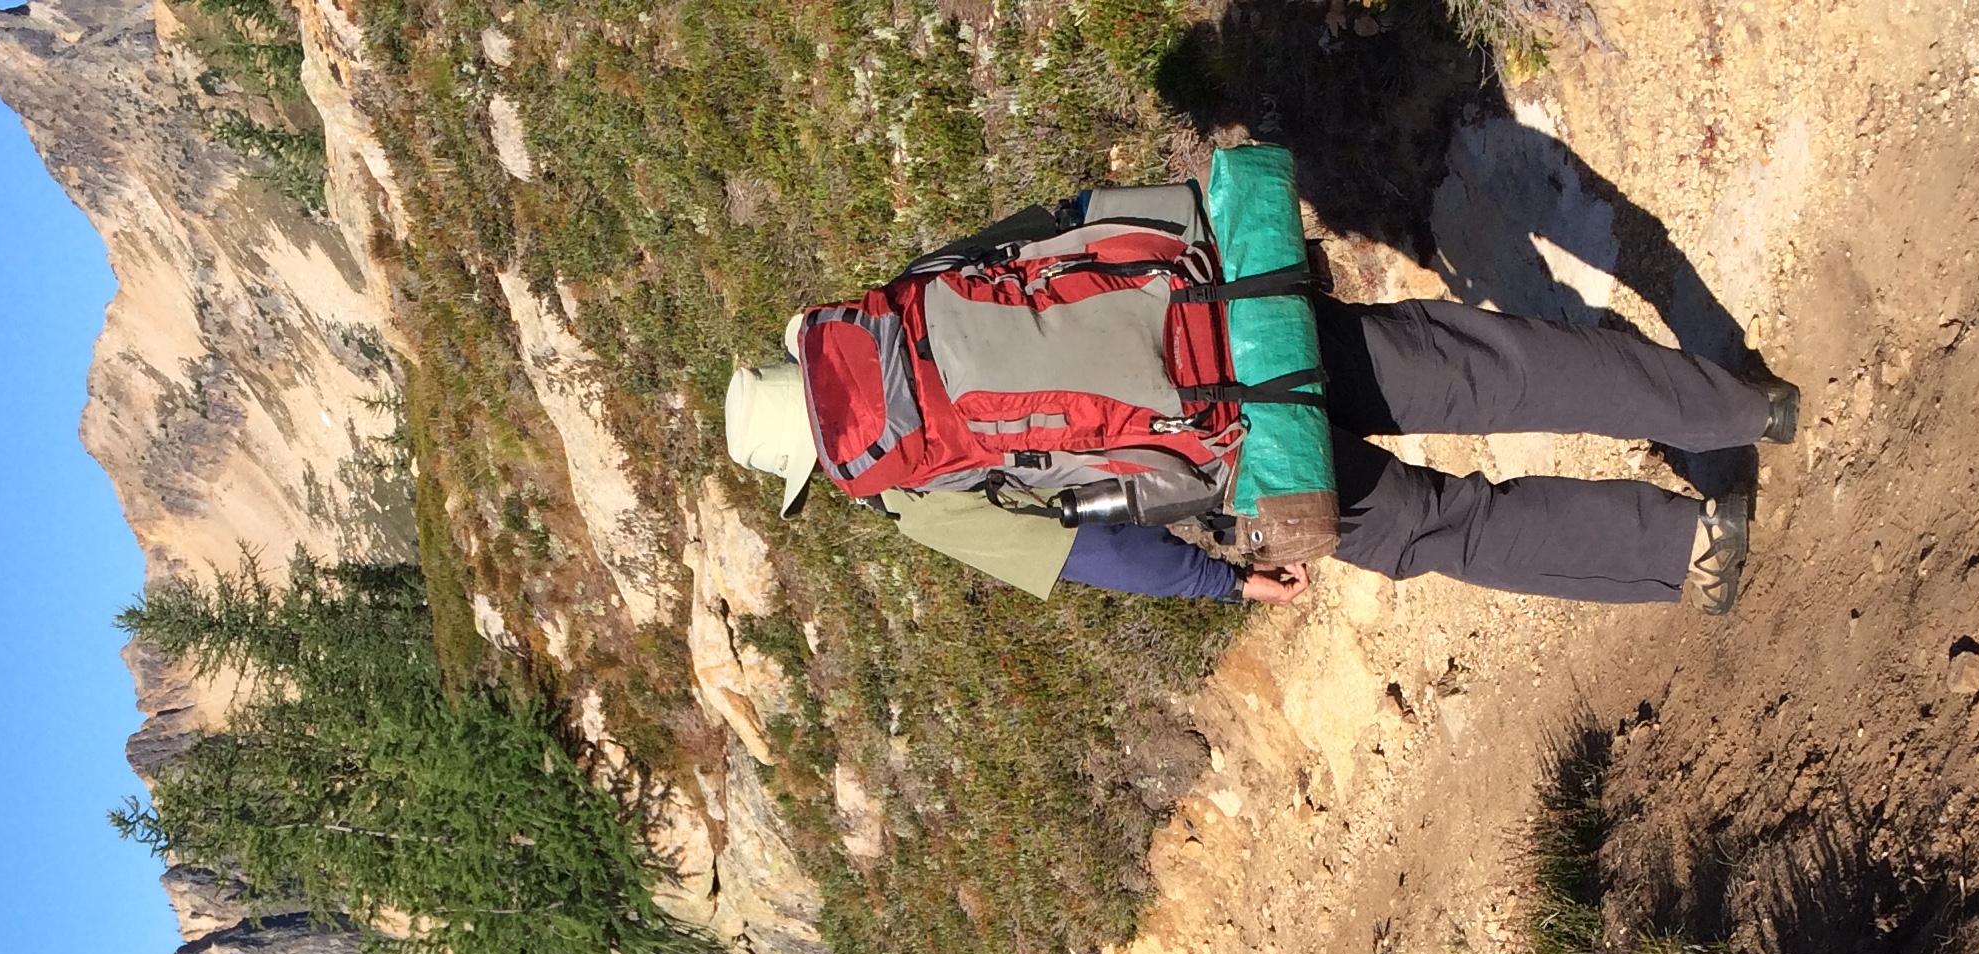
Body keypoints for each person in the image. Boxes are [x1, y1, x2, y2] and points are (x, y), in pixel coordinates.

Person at [723, 290, 1795, 615]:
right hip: (1241, 314)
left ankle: (1690, 546)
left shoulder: (912, 493)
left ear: (824, 462)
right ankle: (1746, 408)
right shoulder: (904, 302)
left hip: (1229, 463)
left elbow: (1086, 554)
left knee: (1434, 530)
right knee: (1486, 362)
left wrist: (1228, 583)